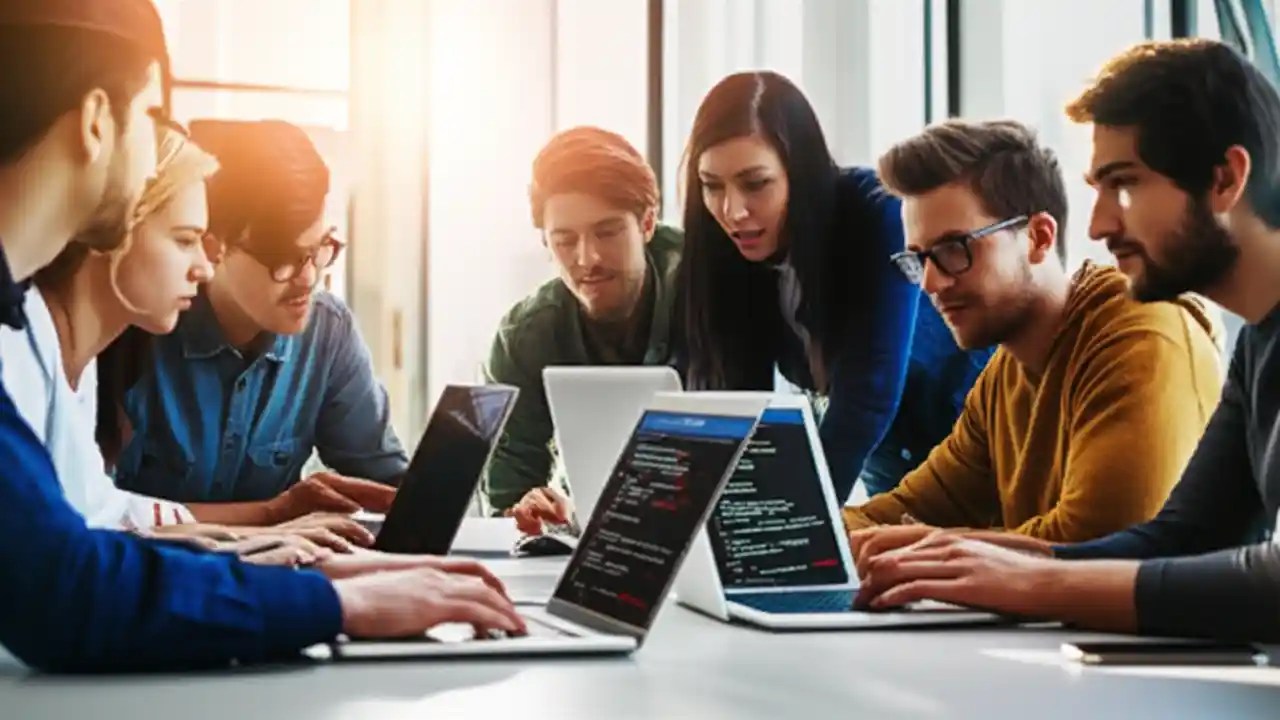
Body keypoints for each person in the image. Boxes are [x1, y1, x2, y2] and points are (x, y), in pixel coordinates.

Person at [0, 0, 521, 673]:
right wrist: (332, 603)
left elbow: (82, 542)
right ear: (98, 122)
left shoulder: (21, 325)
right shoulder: (34, 337)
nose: (165, 152)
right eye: (154, 119)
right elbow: (60, 587)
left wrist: (309, 573)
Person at [854, 39, 1280, 642]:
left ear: (1225, 179)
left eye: (1123, 184)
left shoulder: (1148, 328)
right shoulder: (1260, 346)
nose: (1100, 225)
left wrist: (1022, 577)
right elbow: (1181, 540)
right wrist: (973, 561)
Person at [842, 118, 1222, 546]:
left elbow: (1097, 547)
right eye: (919, 259)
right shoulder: (1003, 375)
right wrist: (791, 539)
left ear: (1039, 238)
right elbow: (908, 509)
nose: (930, 284)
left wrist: (919, 546)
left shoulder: (1143, 336)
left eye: (954, 249)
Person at [1, 131, 370, 556]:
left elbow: (108, 515)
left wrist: (267, 527)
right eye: (185, 239)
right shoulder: (21, 348)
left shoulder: (80, 365)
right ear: (114, 227)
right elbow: (58, 563)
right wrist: (302, 589)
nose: (204, 267)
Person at [675, 71, 991, 504]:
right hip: (895, 477)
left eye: (755, 184)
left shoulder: (876, 213)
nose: (732, 211)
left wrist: (800, 522)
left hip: (977, 451)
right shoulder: (734, 260)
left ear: (798, 171)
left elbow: (868, 396)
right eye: (711, 186)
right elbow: (744, 408)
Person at [106, 118, 408, 527]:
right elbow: (97, 515)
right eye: (282, 258)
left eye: (320, 248)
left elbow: (381, 475)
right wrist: (271, 516)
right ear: (214, 244)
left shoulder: (327, 333)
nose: (308, 278)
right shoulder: (140, 325)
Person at [483, 126, 682, 527]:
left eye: (606, 233)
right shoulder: (524, 336)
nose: (587, 258)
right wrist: (530, 510)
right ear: (544, 241)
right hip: (595, 535)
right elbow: (507, 493)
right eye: (564, 240)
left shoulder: (710, 290)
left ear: (647, 224)